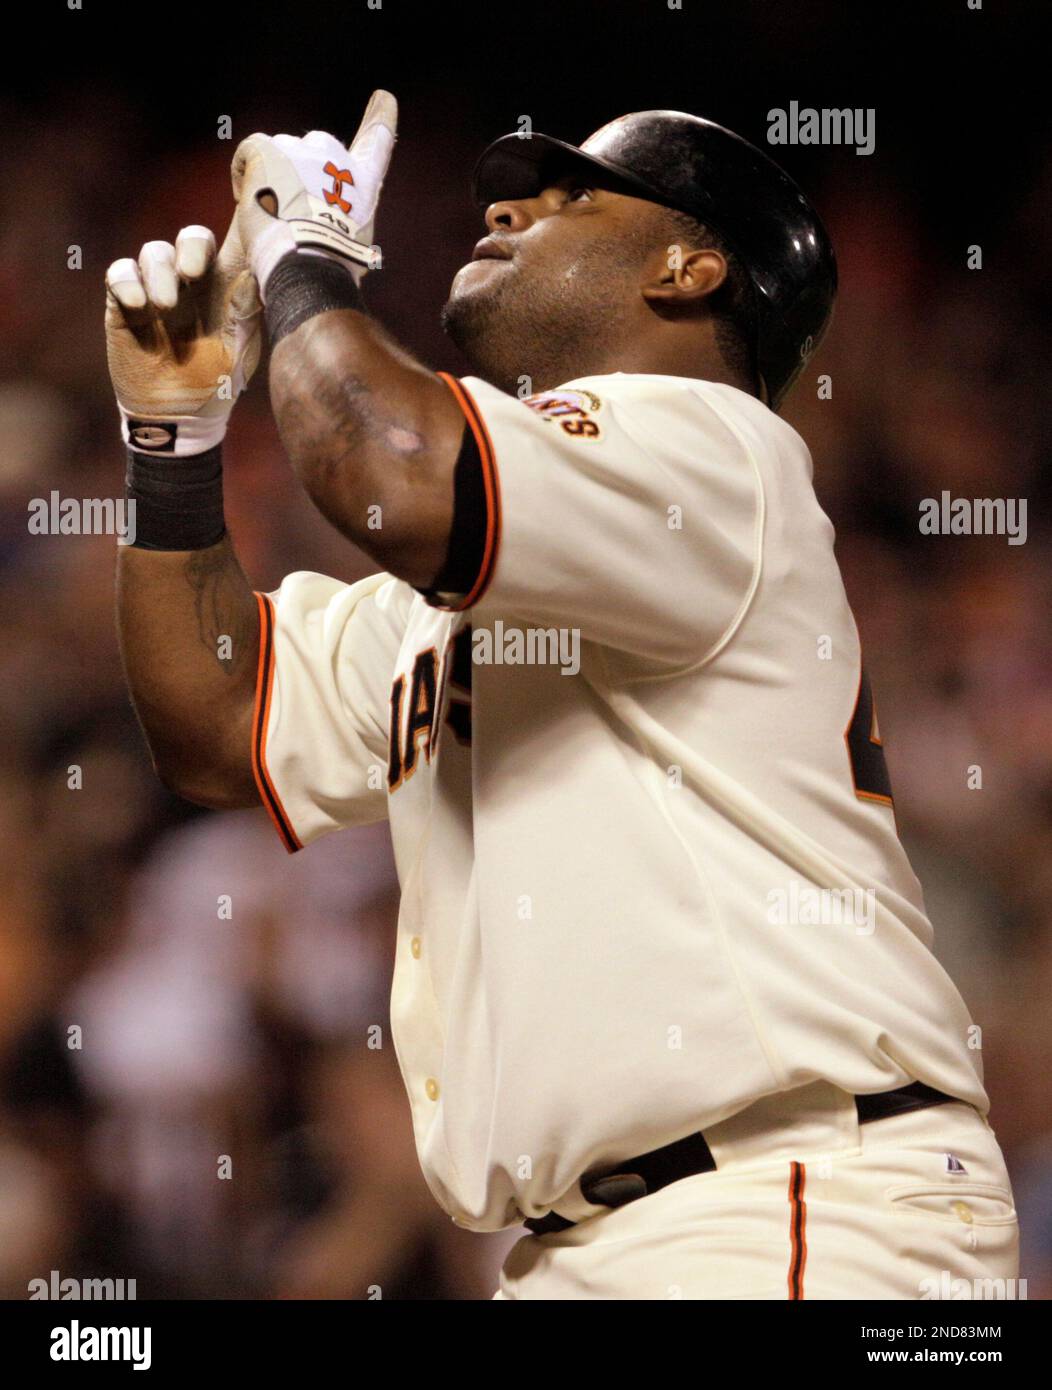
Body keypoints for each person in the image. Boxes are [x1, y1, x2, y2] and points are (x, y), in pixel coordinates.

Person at [105, 94, 1019, 1299]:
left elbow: (386, 462)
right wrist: (171, 444)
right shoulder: (490, 574)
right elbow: (217, 728)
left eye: (570, 192)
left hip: (786, 1201)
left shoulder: (709, 450)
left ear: (691, 267)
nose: (504, 204)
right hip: (602, 1241)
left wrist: (306, 261)